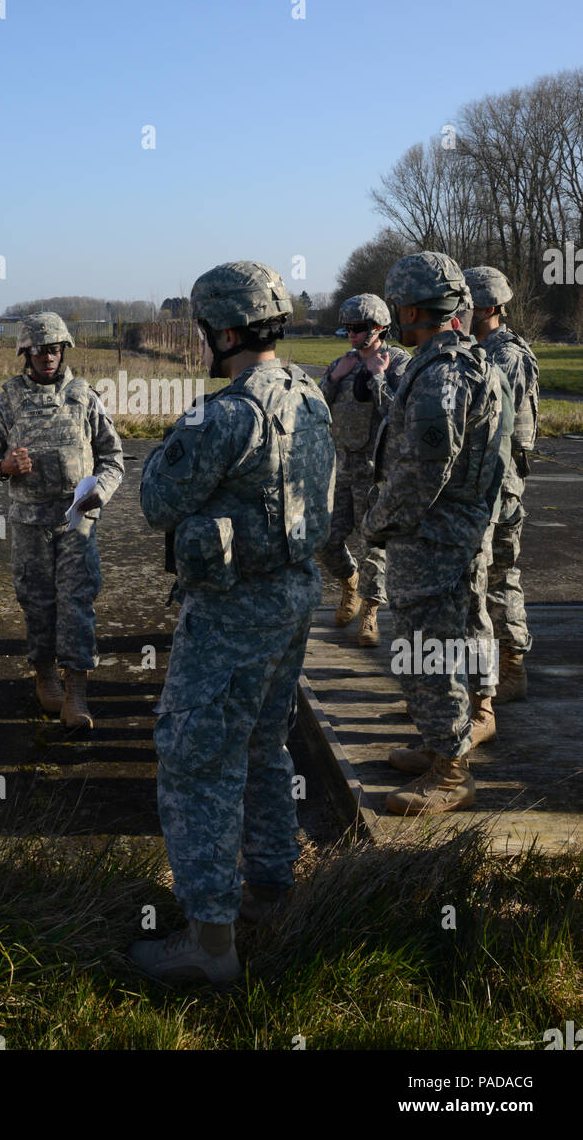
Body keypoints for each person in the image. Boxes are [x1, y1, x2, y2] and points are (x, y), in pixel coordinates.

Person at [128, 262, 335, 983]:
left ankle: (209, 944)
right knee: (262, 747)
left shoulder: (224, 414)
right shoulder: (309, 394)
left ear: (222, 331)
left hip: (231, 611)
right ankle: (271, 891)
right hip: (293, 595)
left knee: (195, 762)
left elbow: (155, 500)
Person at [362, 253, 505, 814]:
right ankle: (438, 744)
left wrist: (378, 522)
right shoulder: (456, 361)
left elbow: (425, 468)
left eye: (400, 307)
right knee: (438, 640)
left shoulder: (443, 373)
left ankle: (450, 770)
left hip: (432, 537)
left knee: (429, 648)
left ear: (415, 308)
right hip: (449, 532)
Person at [0, 313, 124, 731]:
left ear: (64, 350)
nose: (48, 357)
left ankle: (77, 690)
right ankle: (45, 677)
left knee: (77, 604)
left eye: (55, 349)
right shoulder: (8, 400)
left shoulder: (83, 397)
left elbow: (113, 457)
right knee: (38, 603)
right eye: (39, 350)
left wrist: (102, 491)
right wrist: (3, 466)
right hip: (28, 525)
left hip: (77, 523)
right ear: (26, 354)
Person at [462, 267, 540, 703]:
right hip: (490, 480)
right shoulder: (484, 349)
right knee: (489, 576)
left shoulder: (504, 355)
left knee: (498, 577)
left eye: (468, 304)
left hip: (501, 485)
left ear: (488, 307)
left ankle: (511, 667)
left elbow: (489, 420)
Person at [318, 295, 409, 645]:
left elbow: (401, 417)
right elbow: (316, 409)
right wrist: (332, 379)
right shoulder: (341, 363)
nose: (351, 335)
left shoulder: (399, 363)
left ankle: (369, 612)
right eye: (347, 328)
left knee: (373, 547)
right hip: (340, 470)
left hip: (376, 474)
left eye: (358, 329)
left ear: (379, 328)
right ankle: (349, 584)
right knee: (324, 539)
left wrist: (378, 378)